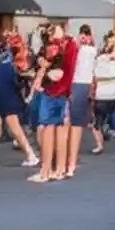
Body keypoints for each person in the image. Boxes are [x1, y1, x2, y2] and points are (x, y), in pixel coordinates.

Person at [30, 24, 78, 183]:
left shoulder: (59, 47)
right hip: (61, 90)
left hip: (53, 90)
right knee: (57, 129)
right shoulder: (70, 45)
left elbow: (49, 65)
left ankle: (47, 170)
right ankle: (59, 169)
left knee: (48, 128)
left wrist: (43, 62)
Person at [0, 40, 38, 170]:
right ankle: (31, 155)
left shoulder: (0, 62)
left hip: (0, 90)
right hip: (6, 92)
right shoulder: (14, 61)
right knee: (14, 127)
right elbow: (21, 74)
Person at [66, 24, 98, 174]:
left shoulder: (92, 50)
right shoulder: (75, 48)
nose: (84, 36)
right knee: (67, 122)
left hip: (83, 83)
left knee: (76, 123)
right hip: (73, 82)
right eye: (82, 34)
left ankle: (71, 161)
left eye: (87, 34)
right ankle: (66, 159)